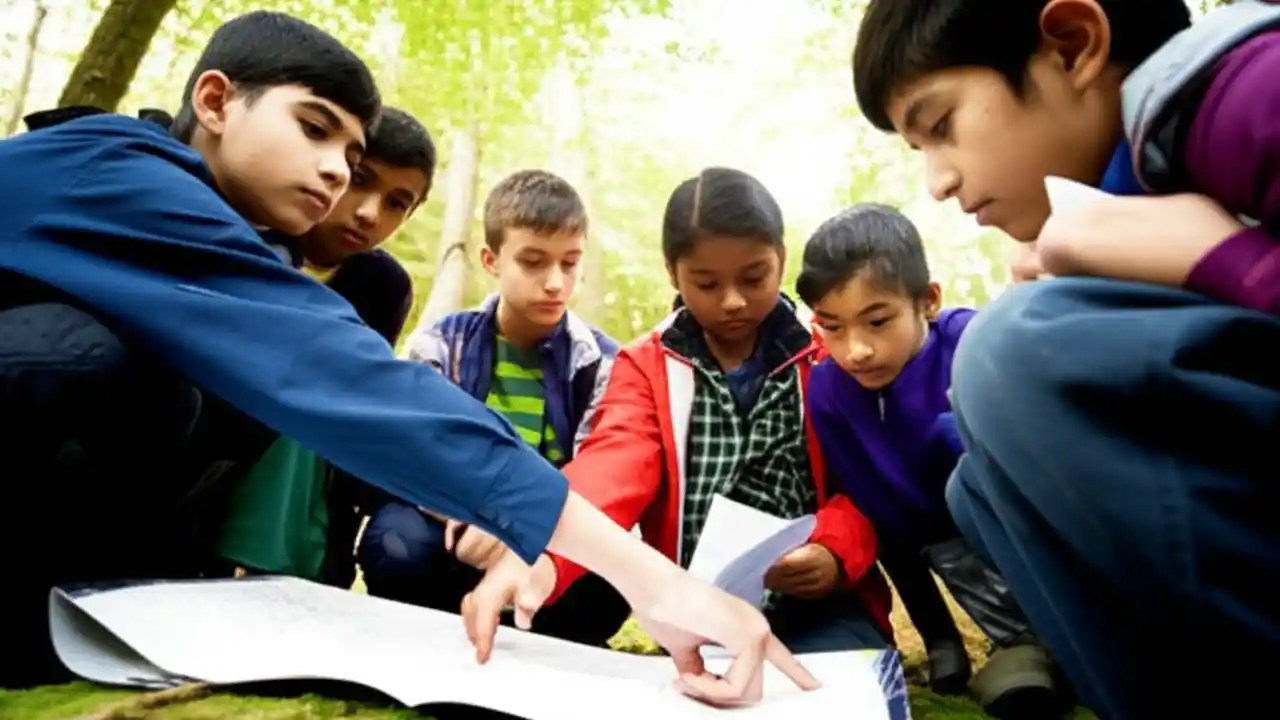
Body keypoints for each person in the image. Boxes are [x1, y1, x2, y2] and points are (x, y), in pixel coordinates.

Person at [0, 12, 817, 702]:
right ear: (215, 100)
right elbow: (345, 373)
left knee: (168, 386)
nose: (334, 172)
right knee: (91, 355)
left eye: (352, 158)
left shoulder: (241, 249)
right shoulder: (113, 171)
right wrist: (658, 582)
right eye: (313, 128)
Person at [851, 0, 1280, 716]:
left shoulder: (1243, 89)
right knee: (977, 483)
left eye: (942, 126)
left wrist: (1216, 258)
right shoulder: (1122, 193)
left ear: (1074, 45)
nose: (938, 182)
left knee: (1011, 352)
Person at [461, 167, 895, 656]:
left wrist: (834, 551)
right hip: (701, 615)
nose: (733, 301)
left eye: (754, 277)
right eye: (707, 283)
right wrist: (544, 555)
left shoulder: (829, 355)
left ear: (781, 259)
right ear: (673, 273)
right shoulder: (645, 367)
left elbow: (868, 483)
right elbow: (612, 469)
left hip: (824, 605)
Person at [798, 203, 1063, 717]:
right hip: (916, 534)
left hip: (1008, 524)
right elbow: (875, 512)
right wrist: (937, 633)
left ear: (928, 300)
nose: (857, 350)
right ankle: (958, 642)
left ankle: (1050, 646)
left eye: (878, 321)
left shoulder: (973, 342)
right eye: (832, 328)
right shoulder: (828, 388)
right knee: (895, 530)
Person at [358, 168, 629, 646]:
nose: (554, 283)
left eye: (569, 264)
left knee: (613, 580)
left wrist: (526, 529)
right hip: (458, 528)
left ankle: (525, 621)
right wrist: (478, 515)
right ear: (491, 260)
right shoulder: (441, 344)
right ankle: (460, 622)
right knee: (394, 543)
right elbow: (422, 455)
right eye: (533, 262)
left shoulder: (603, 363)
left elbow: (597, 471)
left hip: (551, 535)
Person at [211, 106, 434, 588]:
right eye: (360, 180)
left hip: (316, 501)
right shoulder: (251, 245)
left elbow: (361, 399)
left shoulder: (381, 284)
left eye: (396, 203)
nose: (370, 213)